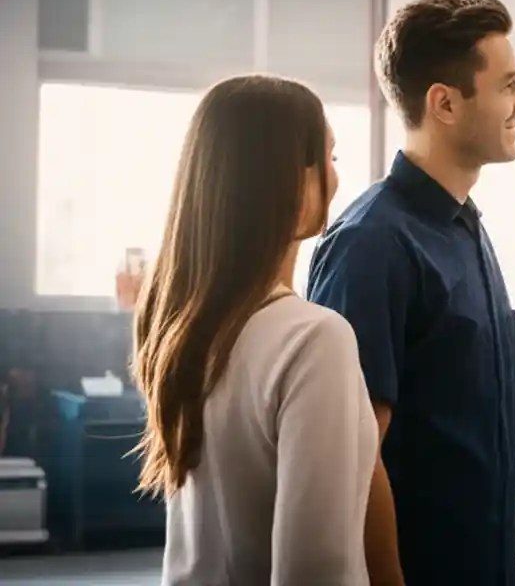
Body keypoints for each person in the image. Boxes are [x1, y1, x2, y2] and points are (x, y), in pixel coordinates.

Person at [308, 0, 515, 586]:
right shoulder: (372, 245)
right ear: (445, 104)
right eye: (509, 86)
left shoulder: (467, 230)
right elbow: (351, 466)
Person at [131, 75, 378, 585]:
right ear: (291, 179)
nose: (336, 180)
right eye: (329, 158)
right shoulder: (314, 339)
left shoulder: (182, 326)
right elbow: (315, 568)